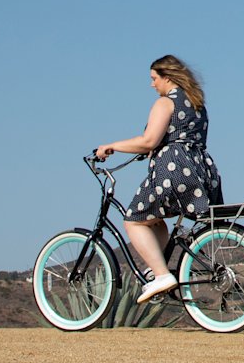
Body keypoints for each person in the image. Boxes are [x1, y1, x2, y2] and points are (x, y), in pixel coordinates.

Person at [94, 55, 224, 302]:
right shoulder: (196, 103)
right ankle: (158, 270)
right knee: (154, 220)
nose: (152, 84)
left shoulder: (166, 102)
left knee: (133, 220)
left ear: (168, 77)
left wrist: (111, 146)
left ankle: (162, 275)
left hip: (174, 170)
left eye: (154, 78)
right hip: (200, 170)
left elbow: (148, 141)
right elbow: (177, 136)